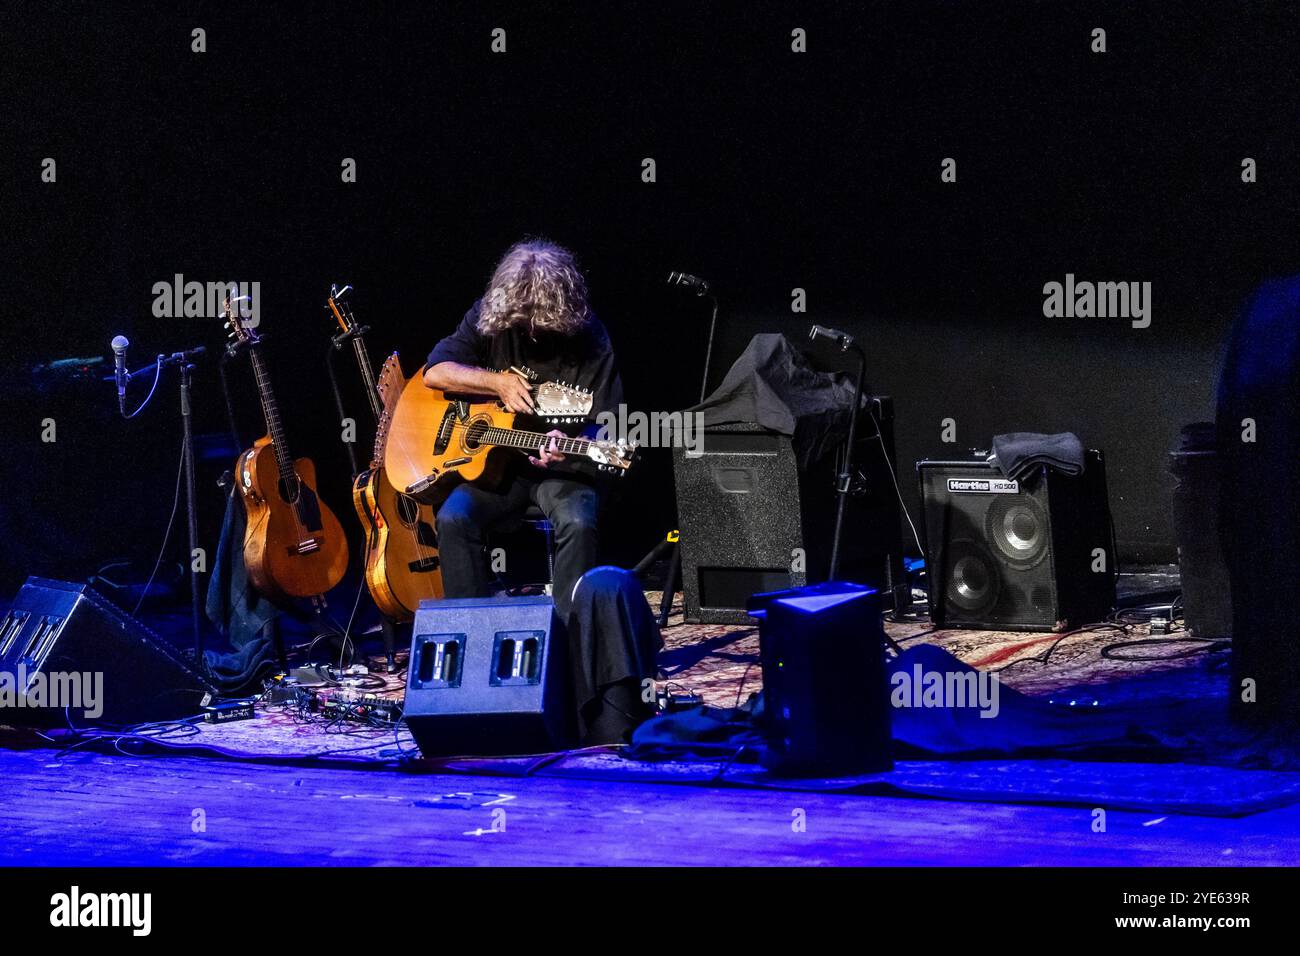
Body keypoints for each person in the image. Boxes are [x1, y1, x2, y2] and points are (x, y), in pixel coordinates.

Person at [422, 239, 624, 618]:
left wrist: (575, 442)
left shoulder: (592, 337)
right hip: (501, 472)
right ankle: (470, 635)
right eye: (522, 319)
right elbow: (435, 371)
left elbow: (611, 428)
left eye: (540, 320)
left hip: (564, 472)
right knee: (452, 518)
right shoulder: (490, 315)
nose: (530, 329)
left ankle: (568, 639)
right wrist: (495, 382)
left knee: (578, 524)